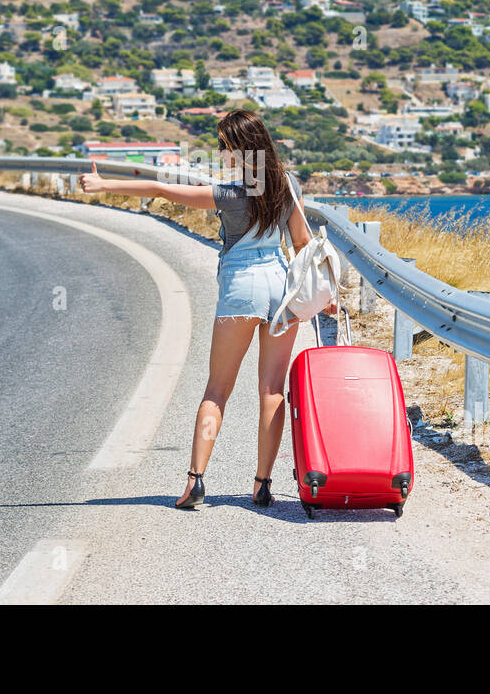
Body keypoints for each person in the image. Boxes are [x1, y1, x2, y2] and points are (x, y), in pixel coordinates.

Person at [80, 108, 334, 510]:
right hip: (281, 288)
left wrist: (101, 184)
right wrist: (324, 295)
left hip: (241, 290)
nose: (221, 153)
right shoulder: (288, 185)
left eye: (224, 146)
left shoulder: (229, 194)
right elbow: (302, 244)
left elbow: (162, 190)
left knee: (217, 390)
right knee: (271, 390)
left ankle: (196, 481)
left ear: (242, 149)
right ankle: (263, 484)